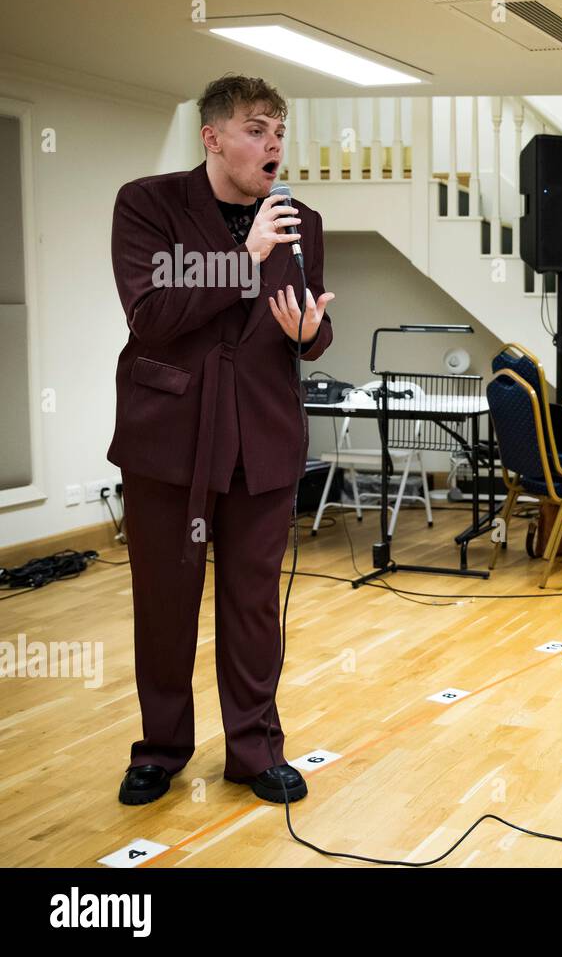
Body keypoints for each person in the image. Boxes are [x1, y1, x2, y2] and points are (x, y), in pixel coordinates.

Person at [109, 75, 335, 805]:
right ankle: (161, 749)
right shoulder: (146, 203)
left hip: (262, 437)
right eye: (256, 129)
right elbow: (151, 313)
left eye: (279, 132)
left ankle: (255, 749)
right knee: (166, 603)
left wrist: (310, 333)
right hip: (169, 438)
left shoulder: (301, 219)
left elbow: (311, 319)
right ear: (212, 137)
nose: (272, 144)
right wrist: (244, 262)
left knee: (251, 605)